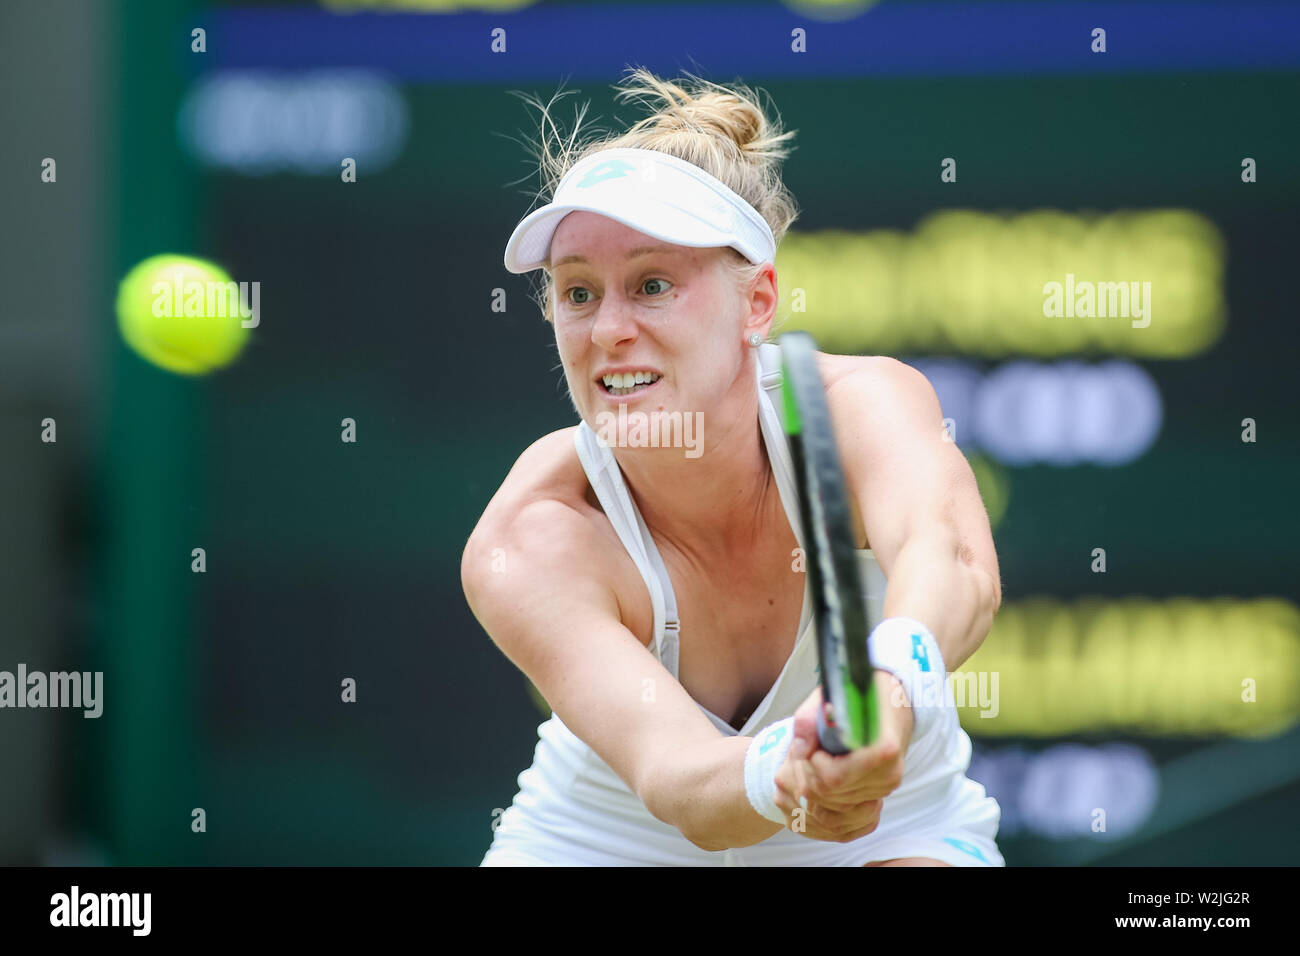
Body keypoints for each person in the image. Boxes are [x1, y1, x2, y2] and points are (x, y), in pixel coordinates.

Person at [463, 69, 1004, 866]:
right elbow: (682, 783)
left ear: (758, 304)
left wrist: (882, 697)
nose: (608, 329)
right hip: (609, 846)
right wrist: (794, 772)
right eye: (577, 292)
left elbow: (953, 561)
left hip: (893, 828)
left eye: (652, 285)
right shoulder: (533, 535)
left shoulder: (855, 408)